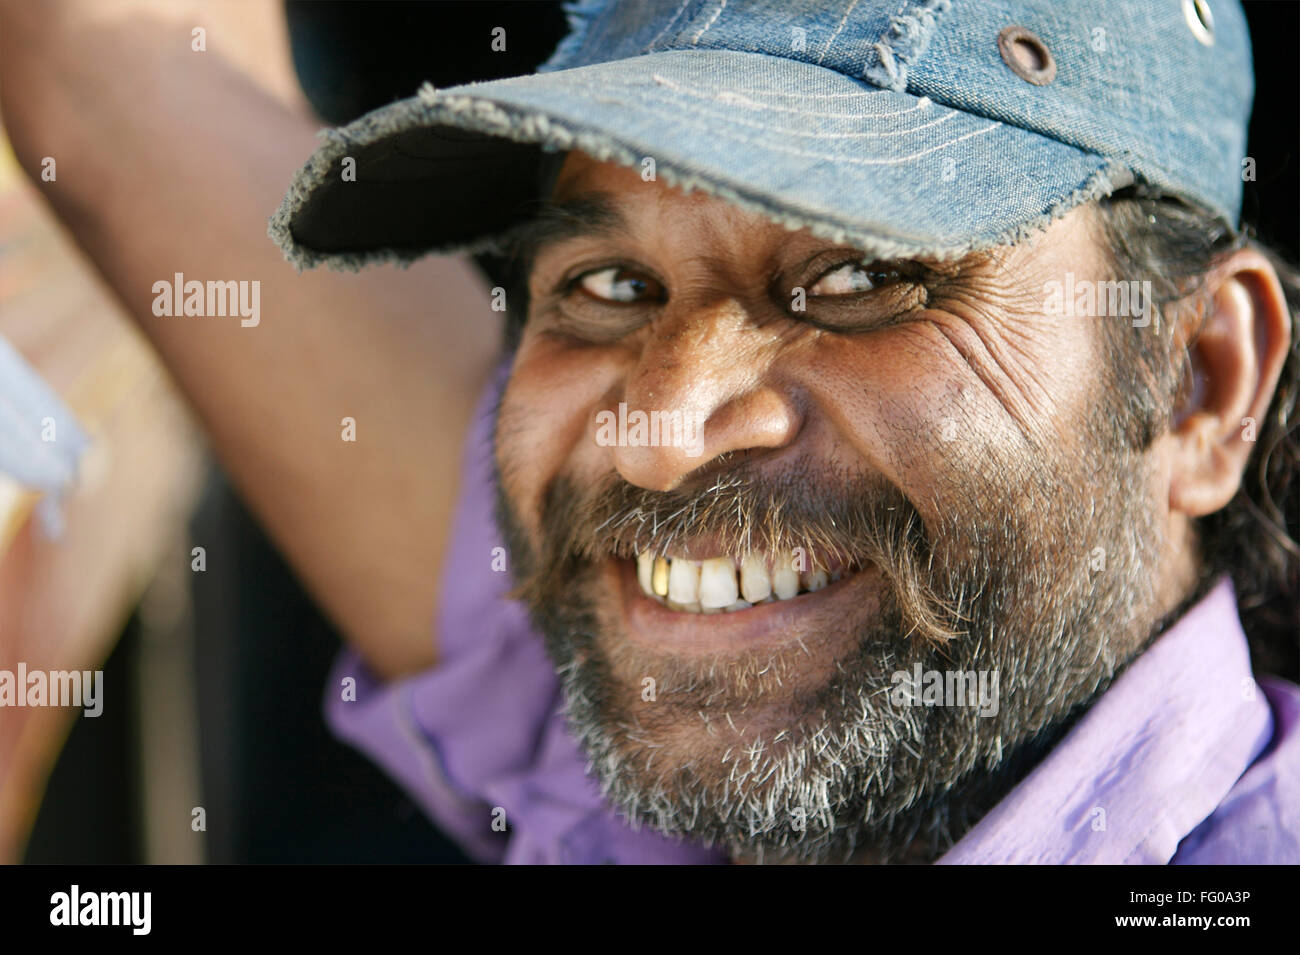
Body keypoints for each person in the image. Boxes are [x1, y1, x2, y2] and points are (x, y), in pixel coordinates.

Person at [6, 0, 1299, 864]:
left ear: (1198, 382)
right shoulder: (703, 723)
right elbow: (110, 64)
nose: (660, 433)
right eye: (608, 288)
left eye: (860, 282)